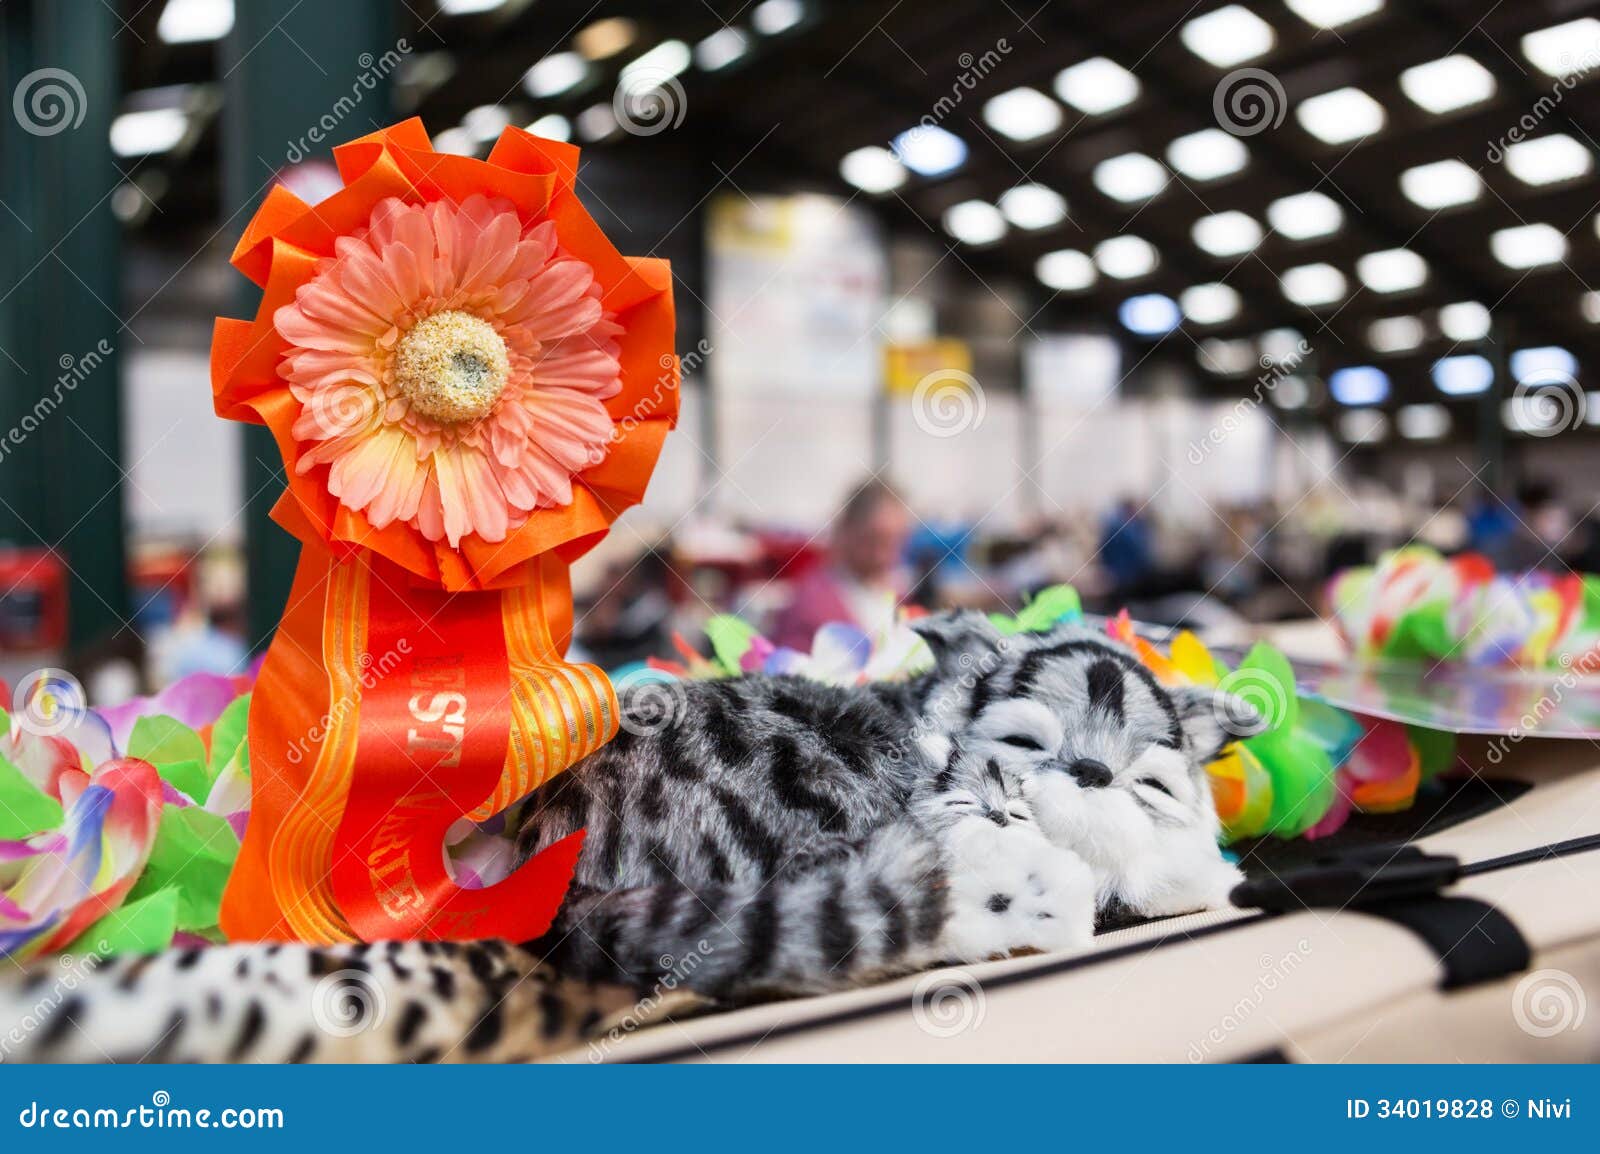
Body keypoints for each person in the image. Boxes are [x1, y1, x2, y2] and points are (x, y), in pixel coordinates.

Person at [771, 478, 912, 650]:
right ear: (845, 529)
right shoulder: (809, 607)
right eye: (873, 540)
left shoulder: (900, 599)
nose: (883, 556)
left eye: (893, 542)